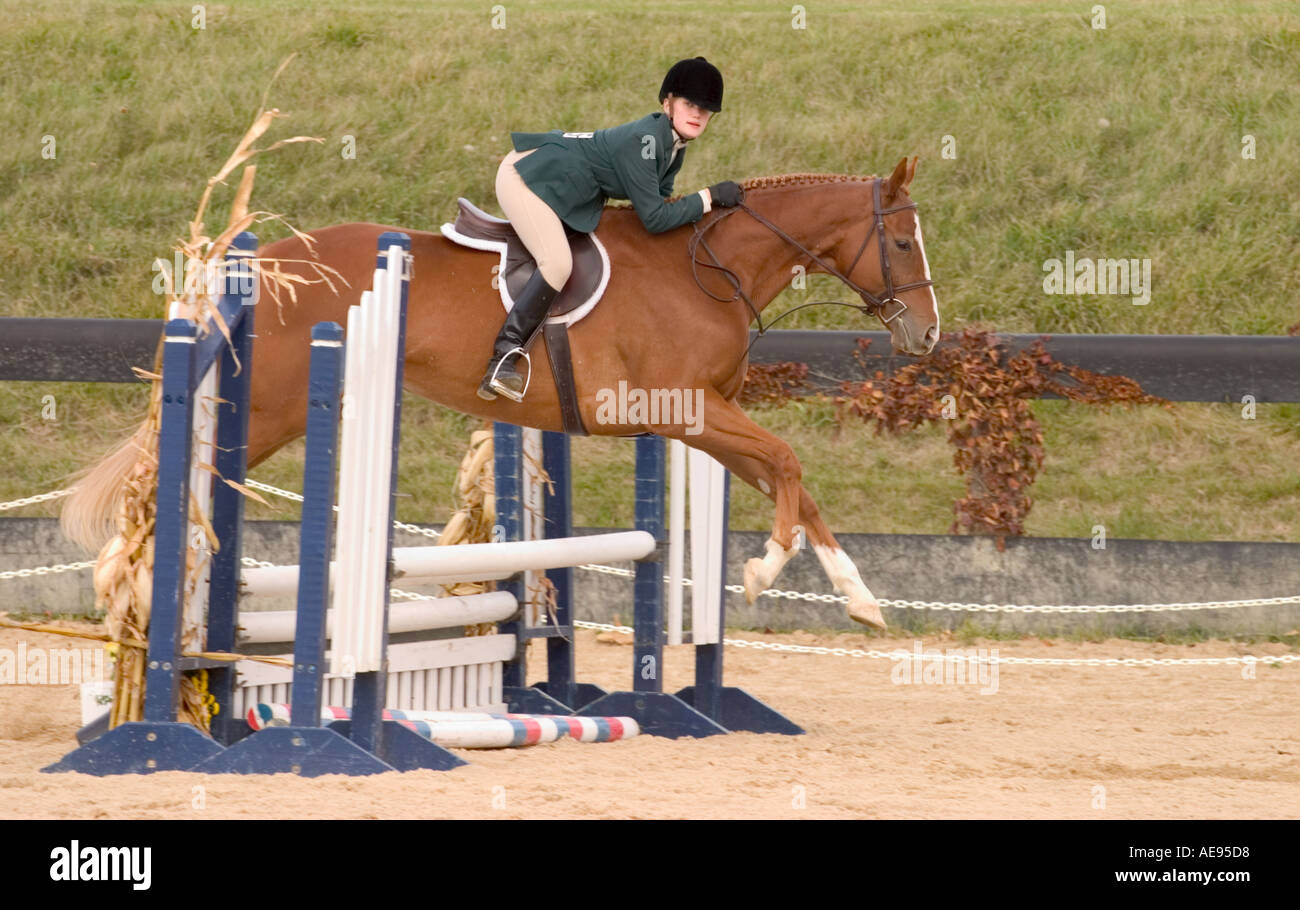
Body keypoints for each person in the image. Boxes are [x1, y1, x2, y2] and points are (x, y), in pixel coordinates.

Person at [478, 56, 744, 401]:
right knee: (558, 263)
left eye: (705, 110)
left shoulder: (672, 147)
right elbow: (655, 218)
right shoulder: (646, 141)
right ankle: (504, 358)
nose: (697, 114)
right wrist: (708, 197)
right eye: (690, 104)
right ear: (668, 103)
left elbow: (658, 211)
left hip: (563, 187)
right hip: (528, 175)